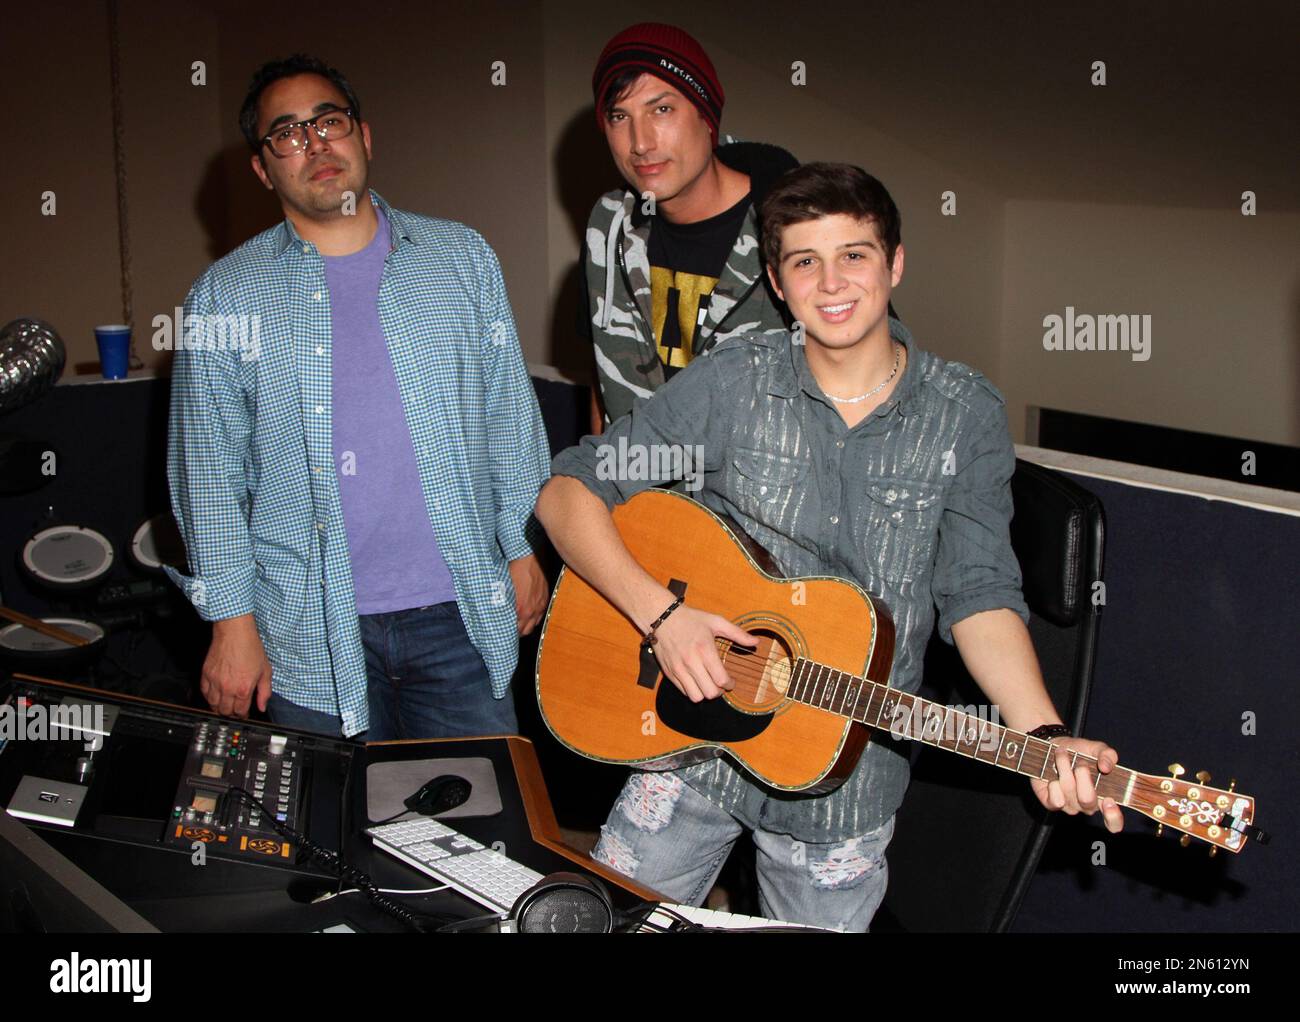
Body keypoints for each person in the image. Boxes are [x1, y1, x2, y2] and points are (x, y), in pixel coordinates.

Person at [536, 162, 1124, 931]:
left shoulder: (963, 416)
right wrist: (660, 617)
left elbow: (978, 592)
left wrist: (1043, 735)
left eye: (854, 254)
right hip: (685, 746)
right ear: (778, 284)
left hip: (845, 783)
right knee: (597, 922)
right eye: (804, 261)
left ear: (896, 263)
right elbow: (566, 491)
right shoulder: (733, 383)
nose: (831, 281)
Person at [165, 55, 550, 741]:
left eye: (328, 121)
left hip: (460, 617)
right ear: (263, 168)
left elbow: (508, 419)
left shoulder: (462, 258)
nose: (314, 144)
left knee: (480, 835)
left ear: (364, 137)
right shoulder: (225, 296)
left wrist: (523, 548)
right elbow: (208, 477)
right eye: (286, 133)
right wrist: (231, 624)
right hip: (308, 630)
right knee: (333, 841)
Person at [580, 22, 798, 434]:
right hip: (635, 492)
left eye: (661, 109)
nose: (640, 142)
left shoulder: (797, 223)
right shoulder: (607, 223)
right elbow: (598, 373)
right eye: (619, 116)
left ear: (706, 114)